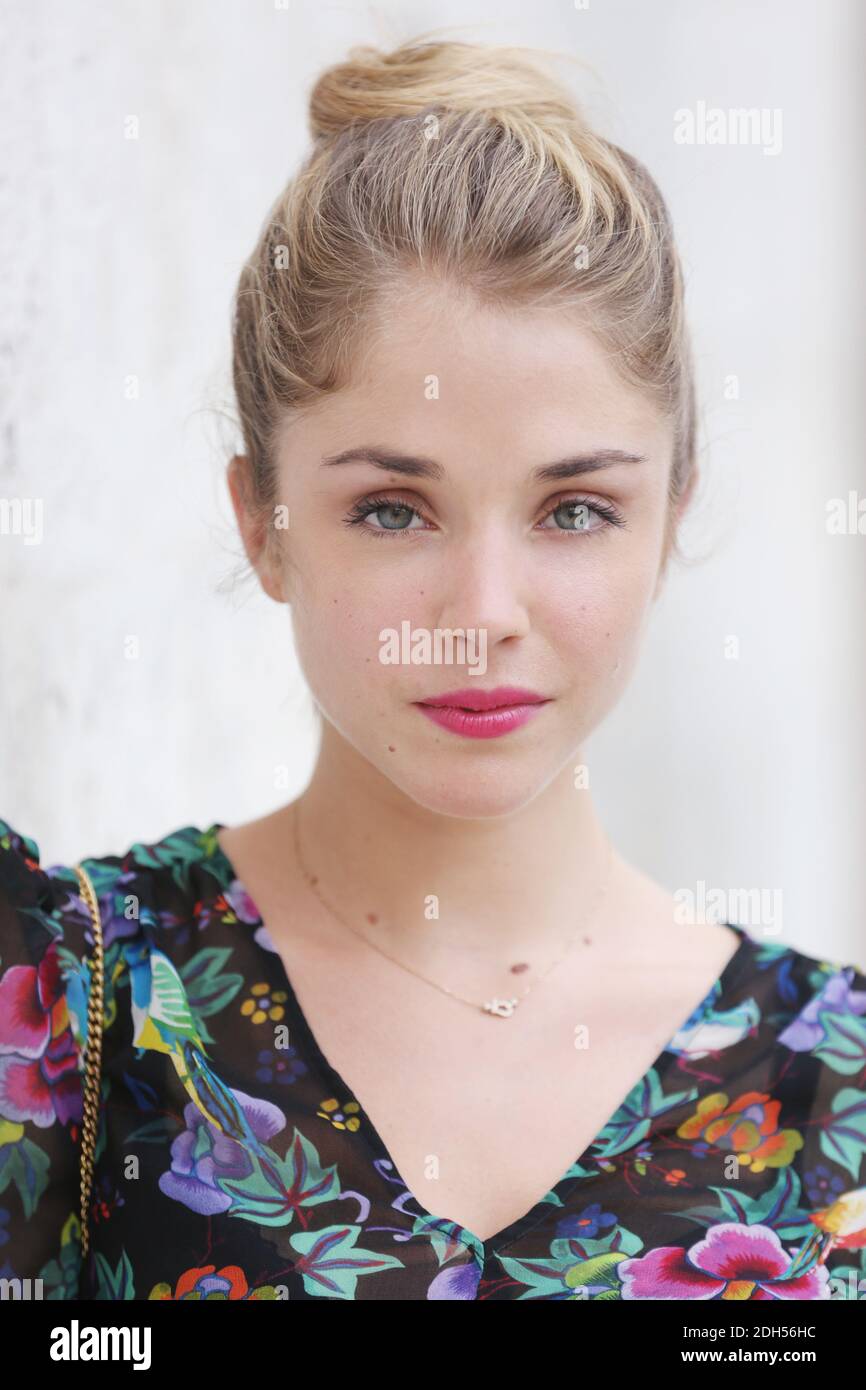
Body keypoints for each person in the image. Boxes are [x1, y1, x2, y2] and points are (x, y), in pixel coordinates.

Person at [2, 36, 864, 1303]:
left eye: (572, 510)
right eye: (394, 509)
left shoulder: (832, 1080)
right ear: (263, 521)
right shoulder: (67, 995)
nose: (483, 613)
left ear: (672, 513)